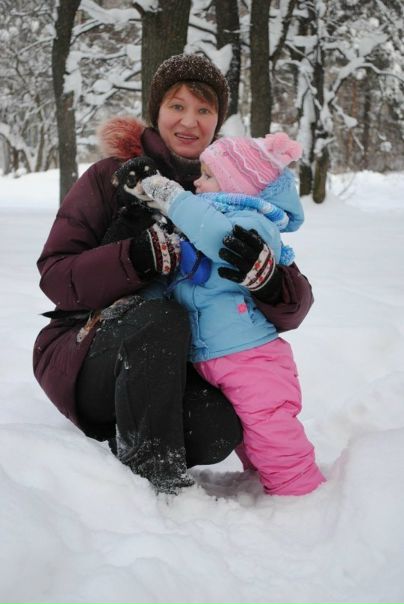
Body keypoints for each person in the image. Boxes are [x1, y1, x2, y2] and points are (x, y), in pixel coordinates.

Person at [33, 53, 314, 495]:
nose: (189, 121)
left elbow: (294, 306)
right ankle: (155, 478)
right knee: (161, 317)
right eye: (177, 106)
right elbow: (55, 276)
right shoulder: (110, 176)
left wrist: (270, 281)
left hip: (174, 365)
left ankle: (122, 442)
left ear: (218, 119)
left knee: (219, 428)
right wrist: (134, 257)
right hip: (88, 351)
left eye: (204, 109)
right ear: (157, 110)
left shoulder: (235, 186)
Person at [137, 132, 325, 496]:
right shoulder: (198, 223)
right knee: (249, 430)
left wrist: (175, 199)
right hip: (212, 356)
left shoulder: (253, 224)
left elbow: (219, 239)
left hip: (250, 354)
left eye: (208, 175)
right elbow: (179, 279)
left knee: (269, 424)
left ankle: (300, 492)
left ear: (238, 185)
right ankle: (262, 478)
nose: (197, 182)